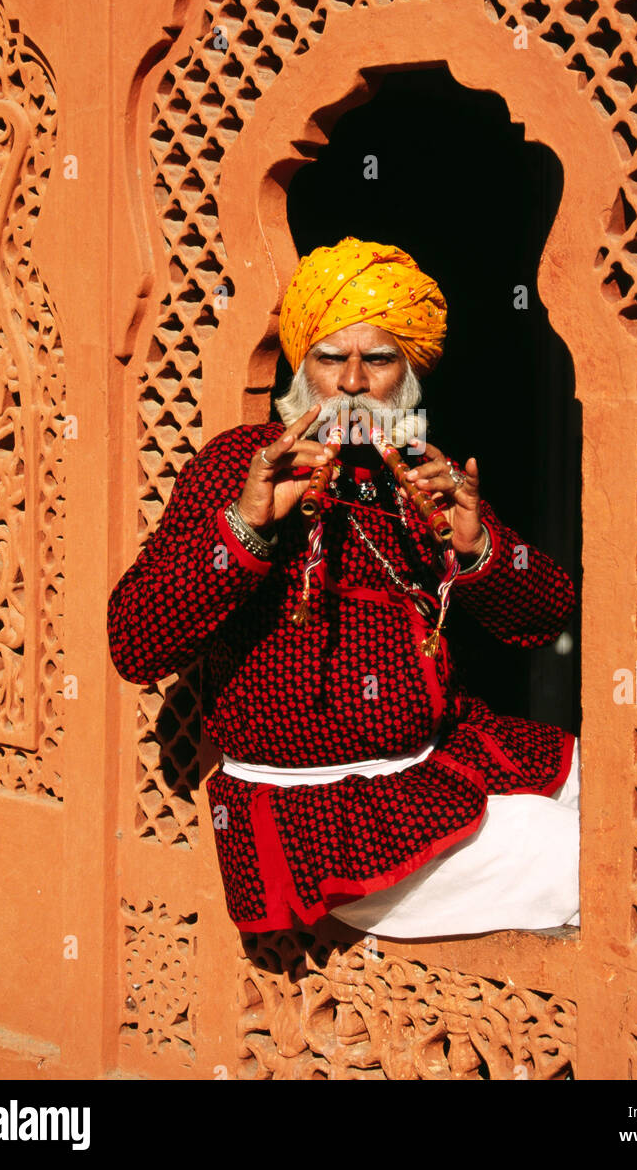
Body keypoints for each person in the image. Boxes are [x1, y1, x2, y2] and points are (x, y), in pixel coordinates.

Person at [107, 236, 580, 937]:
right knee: (577, 854)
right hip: (315, 817)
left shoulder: (417, 474)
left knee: (615, 797)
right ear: (303, 366)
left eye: (379, 359)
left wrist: (479, 546)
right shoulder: (240, 462)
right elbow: (134, 646)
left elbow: (547, 615)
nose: (354, 382)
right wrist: (245, 528)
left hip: (439, 764)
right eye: (331, 358)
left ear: (409, 376)